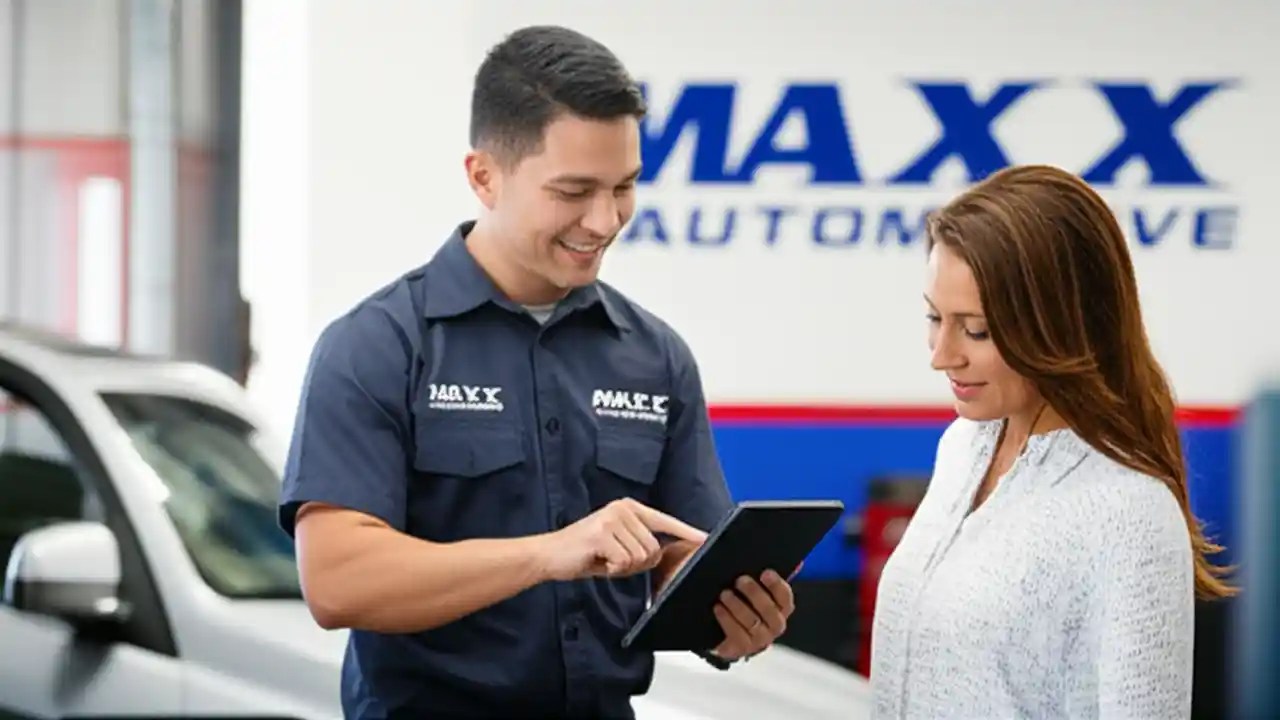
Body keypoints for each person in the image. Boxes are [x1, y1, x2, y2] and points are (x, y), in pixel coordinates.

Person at [277, 24, 796, 720]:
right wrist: (551, 554)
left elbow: (686, 561)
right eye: (573, 190)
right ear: (484, 176)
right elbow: (339, 583)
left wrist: (733, 621)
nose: (606, 219)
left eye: (625, 186)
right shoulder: (378, 345)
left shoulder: (657, 356)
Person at [869, 164, 1236, 719]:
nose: (941, 355)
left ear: (1062, 322)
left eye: (977, 330)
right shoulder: (962, 447)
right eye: (933, 317)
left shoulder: (1128, 511)